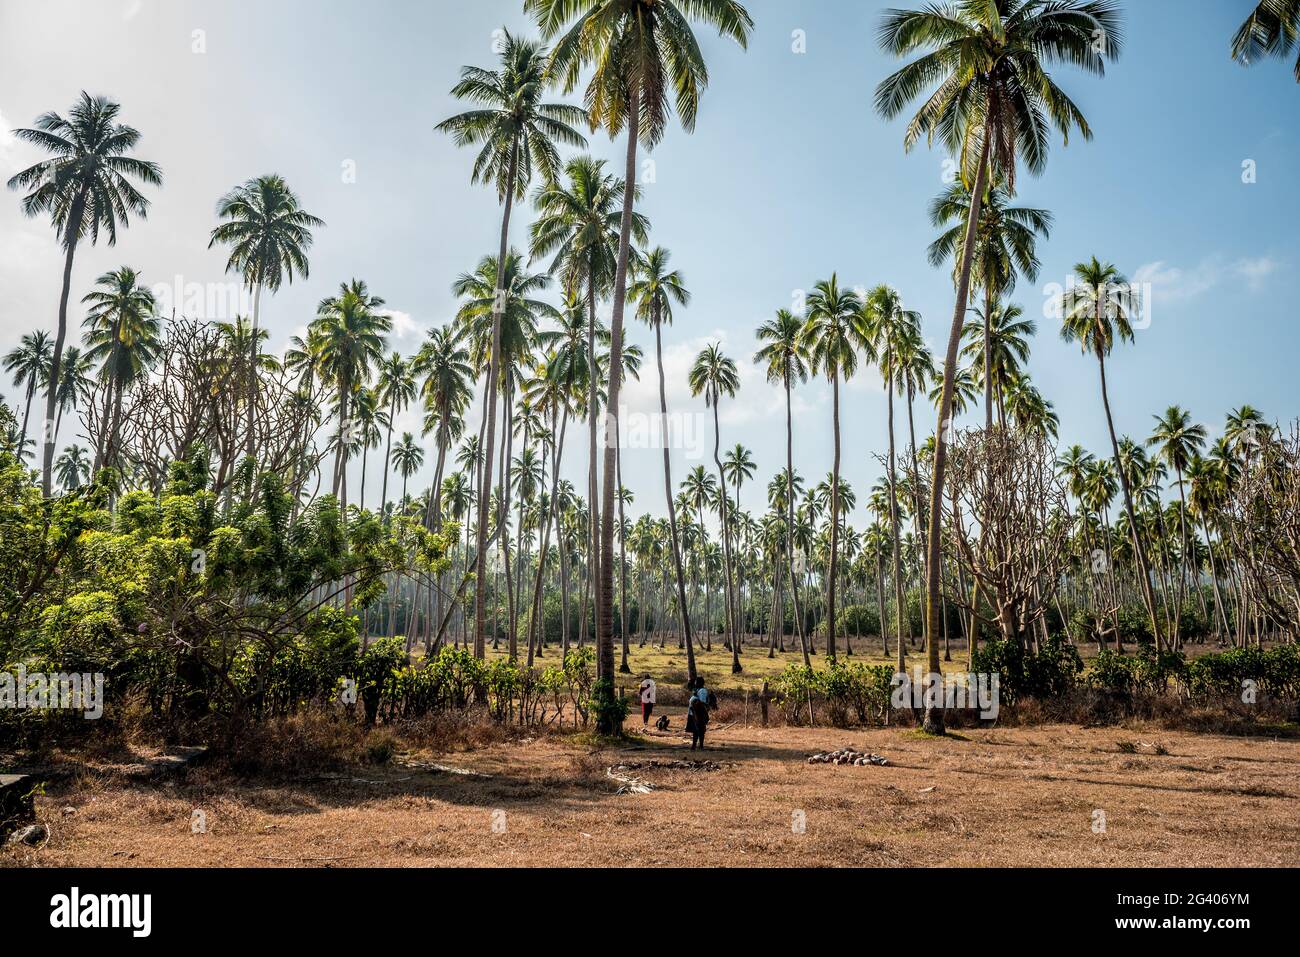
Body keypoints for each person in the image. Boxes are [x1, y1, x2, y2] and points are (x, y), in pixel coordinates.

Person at [687, 677, 710, 750]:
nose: (695, 683)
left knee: (700, 730)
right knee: (695, 730)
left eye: (696, 682)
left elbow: (702, 703)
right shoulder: (697, 690)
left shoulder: (702, 691)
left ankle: (700, 746)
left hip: (699, 714)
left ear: (700, 683)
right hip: (694, 713)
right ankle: (694, 746)